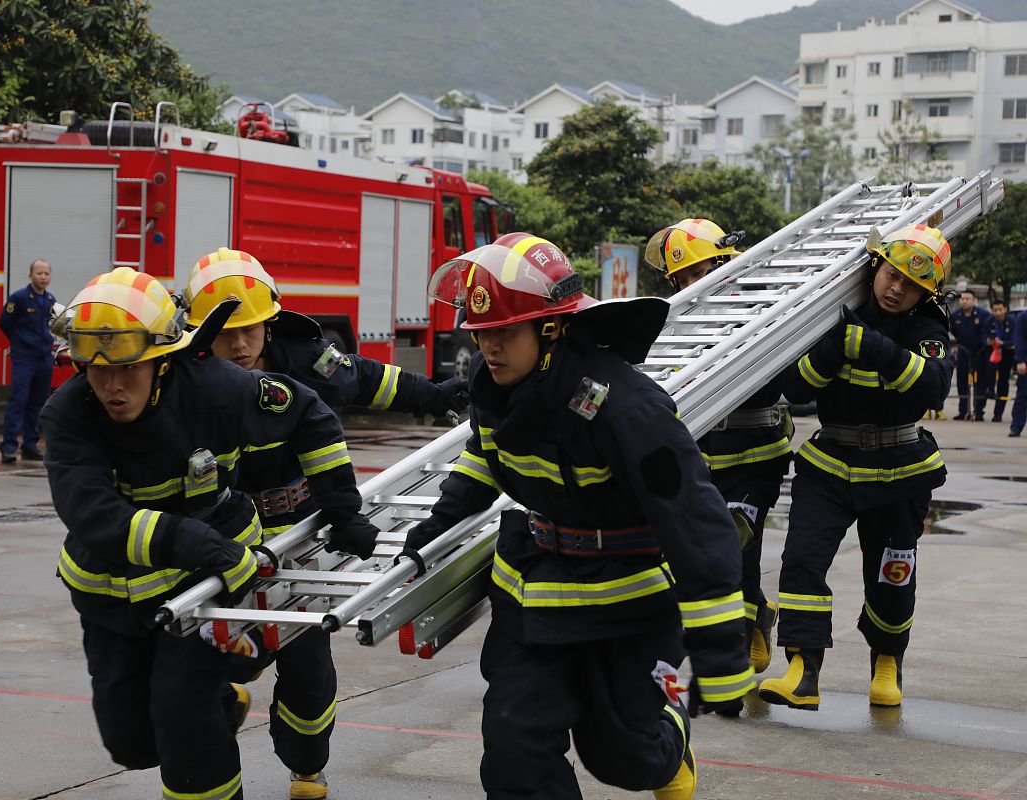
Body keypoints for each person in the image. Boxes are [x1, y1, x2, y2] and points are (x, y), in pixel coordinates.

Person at [403, 233, 753, 800]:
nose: (489, 348)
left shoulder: (625, 406)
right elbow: (484, 456)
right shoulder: (494, 388)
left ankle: (670, 740)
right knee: (514, 758)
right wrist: (430, 529)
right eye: (481, 333)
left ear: (552, 328)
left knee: (625, 759)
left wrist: (720, 652)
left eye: (504, 332)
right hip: (532, 597)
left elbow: (693, 519)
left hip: (626, 607)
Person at [40, 267, 379, 800]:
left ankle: (208, 711)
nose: (109, 386)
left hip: (202, 587)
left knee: (184, 727)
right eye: (93, 370)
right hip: (113, 598)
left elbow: (309, 414)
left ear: (162, 358)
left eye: (126, 368)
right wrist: (203, 543)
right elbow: (94, 516)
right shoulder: (68, 414)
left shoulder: (217, 389)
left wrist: (342, 508)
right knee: (131, 745)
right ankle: (225, 703)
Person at [182, 248, 468, 799]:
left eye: (251, 330)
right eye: (225, 334)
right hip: (221, 537)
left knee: (307, 665)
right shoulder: (180, 382)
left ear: (270, 323)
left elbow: (362, 379)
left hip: (300, 533)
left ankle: (306, 768)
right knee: (213, 651)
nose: (240, 346)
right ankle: (229, 698)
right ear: (200, 333)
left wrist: (431, 395)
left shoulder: (303, 358)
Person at [759, 224, 954, 712]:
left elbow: (932, 387)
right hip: (831, 462)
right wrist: (831, 347)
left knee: (891, 576)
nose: (896, 289)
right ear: (876, 268)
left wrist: (875, 349)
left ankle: (887, 659)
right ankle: (803, 671)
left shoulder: (929, 327)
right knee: (802, 560)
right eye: (891, 275)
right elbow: (797, 389)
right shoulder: (834, 317)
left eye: (911, 286)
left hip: (900, 469)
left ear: (926, 292)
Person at [645, 218, 791, 677]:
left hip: (758, 454)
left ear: (726, 262)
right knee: (727, 551)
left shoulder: (762, 305)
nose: (693, 284)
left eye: (699, 271)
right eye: (684, 279)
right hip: (705, 455)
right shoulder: (678, 318)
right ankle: (755, 619)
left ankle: (741, 636)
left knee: (733, 541)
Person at [0, 259, 57, 463]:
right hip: (24, 358)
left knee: (38, 404)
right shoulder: (20, 298)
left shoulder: (50, 300)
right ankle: (8, 447)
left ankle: (30, 446)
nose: (43, 277)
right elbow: (5, 323)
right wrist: (18, 342)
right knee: (19, 401)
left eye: (46, 273)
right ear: (30, 275)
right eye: (39, 273)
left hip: (43, 359)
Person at [948, 289, 991, 421]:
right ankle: (963, 410)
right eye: (962, 298)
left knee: (980, 382)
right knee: (962, 381)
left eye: (967, 299)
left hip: (980, 353)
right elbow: (953, 332)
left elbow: (988, 332)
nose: (964, 301)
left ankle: (979, 411)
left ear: (974, 300)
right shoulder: (955, 315)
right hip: (963, 352)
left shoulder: (983, 315)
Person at [983, 299, 1015, 423]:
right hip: (992, 353)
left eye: (1000, 309)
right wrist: (989, 342)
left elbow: (1015, 339)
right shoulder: (988, 322)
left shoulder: (1012, 322)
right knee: (989, 372)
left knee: (1003, 381)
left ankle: (998, 413)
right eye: (995, 310)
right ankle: (990, 389)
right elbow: (983, 338)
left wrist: (1003, 343)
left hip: (1007, 354)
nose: (998, 312)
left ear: (1005, 309)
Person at [1010, 307, 1027, 438]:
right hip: (1025, 362)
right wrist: (1020, 360)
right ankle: (1016, 426)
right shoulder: (1023, 317)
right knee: (1022, 396)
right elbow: (1019, 339)